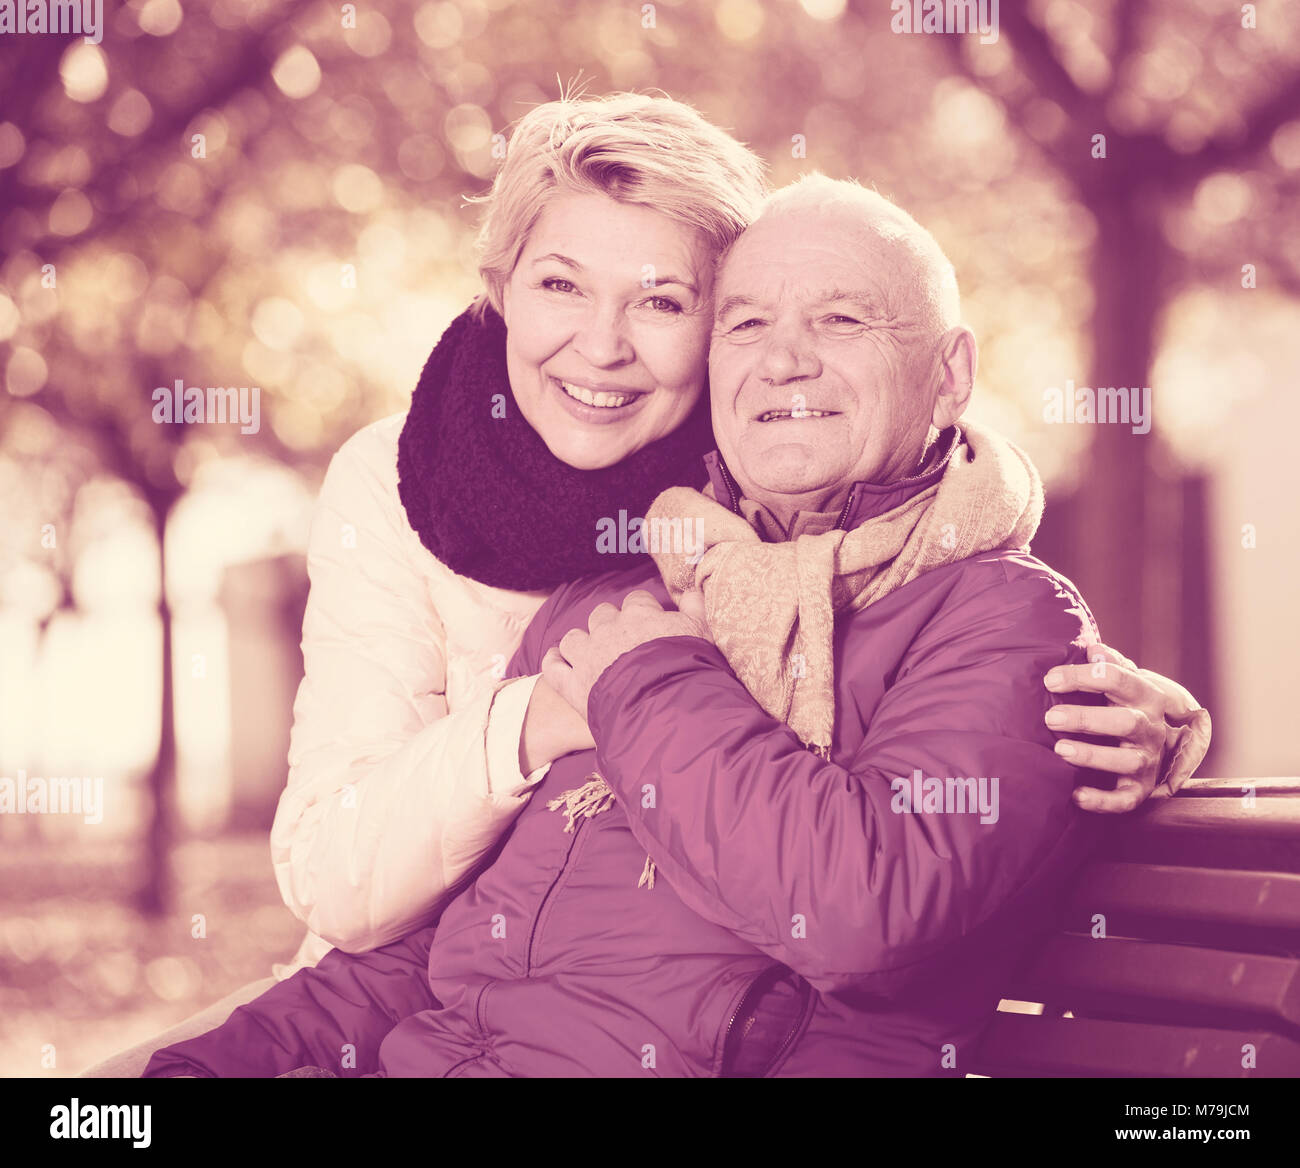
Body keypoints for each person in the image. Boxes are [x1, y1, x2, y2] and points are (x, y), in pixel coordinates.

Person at [86, 93, 1206, 1076]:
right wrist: (537, 717)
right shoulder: (545, 529)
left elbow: (938, 563)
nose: (604, 347)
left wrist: (1133, 711)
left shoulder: (778, 559)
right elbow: (370, 911)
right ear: (499, 291)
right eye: (562, 283)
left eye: (667, 303)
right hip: (372, 955)